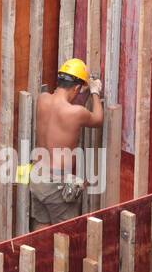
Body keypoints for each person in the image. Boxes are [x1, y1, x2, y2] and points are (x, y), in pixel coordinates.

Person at [30, 58, 104, 229]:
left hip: (37, 178)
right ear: (77, 88)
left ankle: (39, 256)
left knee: (41, 230)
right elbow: (98, 119)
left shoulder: (42, 99)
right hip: (56, 185)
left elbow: (62, 110)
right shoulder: (76, 112)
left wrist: (81, 90)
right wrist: (94, 91)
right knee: (64, 235)